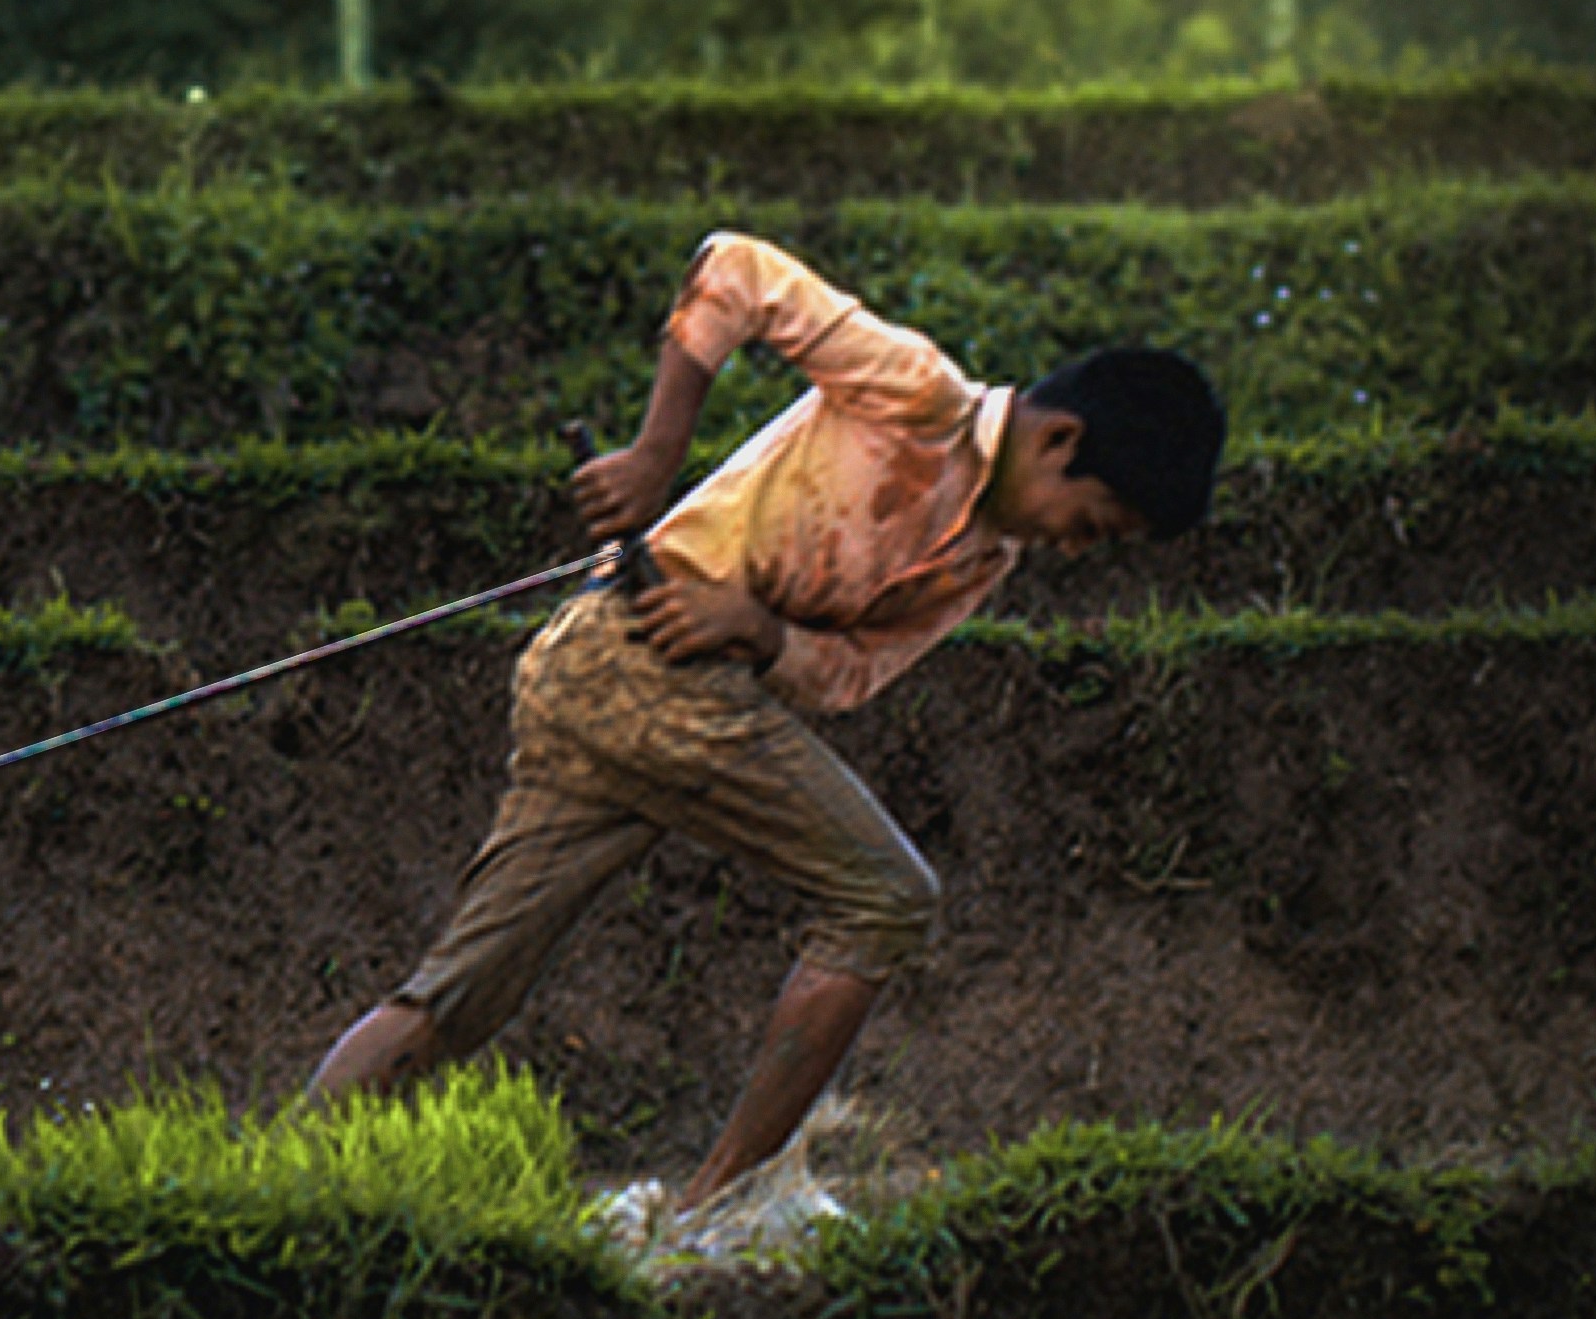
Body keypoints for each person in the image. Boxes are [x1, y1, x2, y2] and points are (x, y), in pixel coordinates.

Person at [302, 229, 1224, 1234]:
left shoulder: (980, 563)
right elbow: (733, 270)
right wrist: (654, 456)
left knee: (457, 993)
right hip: (621, 658)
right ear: (1057, 442)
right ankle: (722, 1204)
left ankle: (282, 1187)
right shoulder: (918, 394)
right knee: (884, 895)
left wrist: (759, 630)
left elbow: (849, 672)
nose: (1070, 546)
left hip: (656, 691)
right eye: (1087, 522)